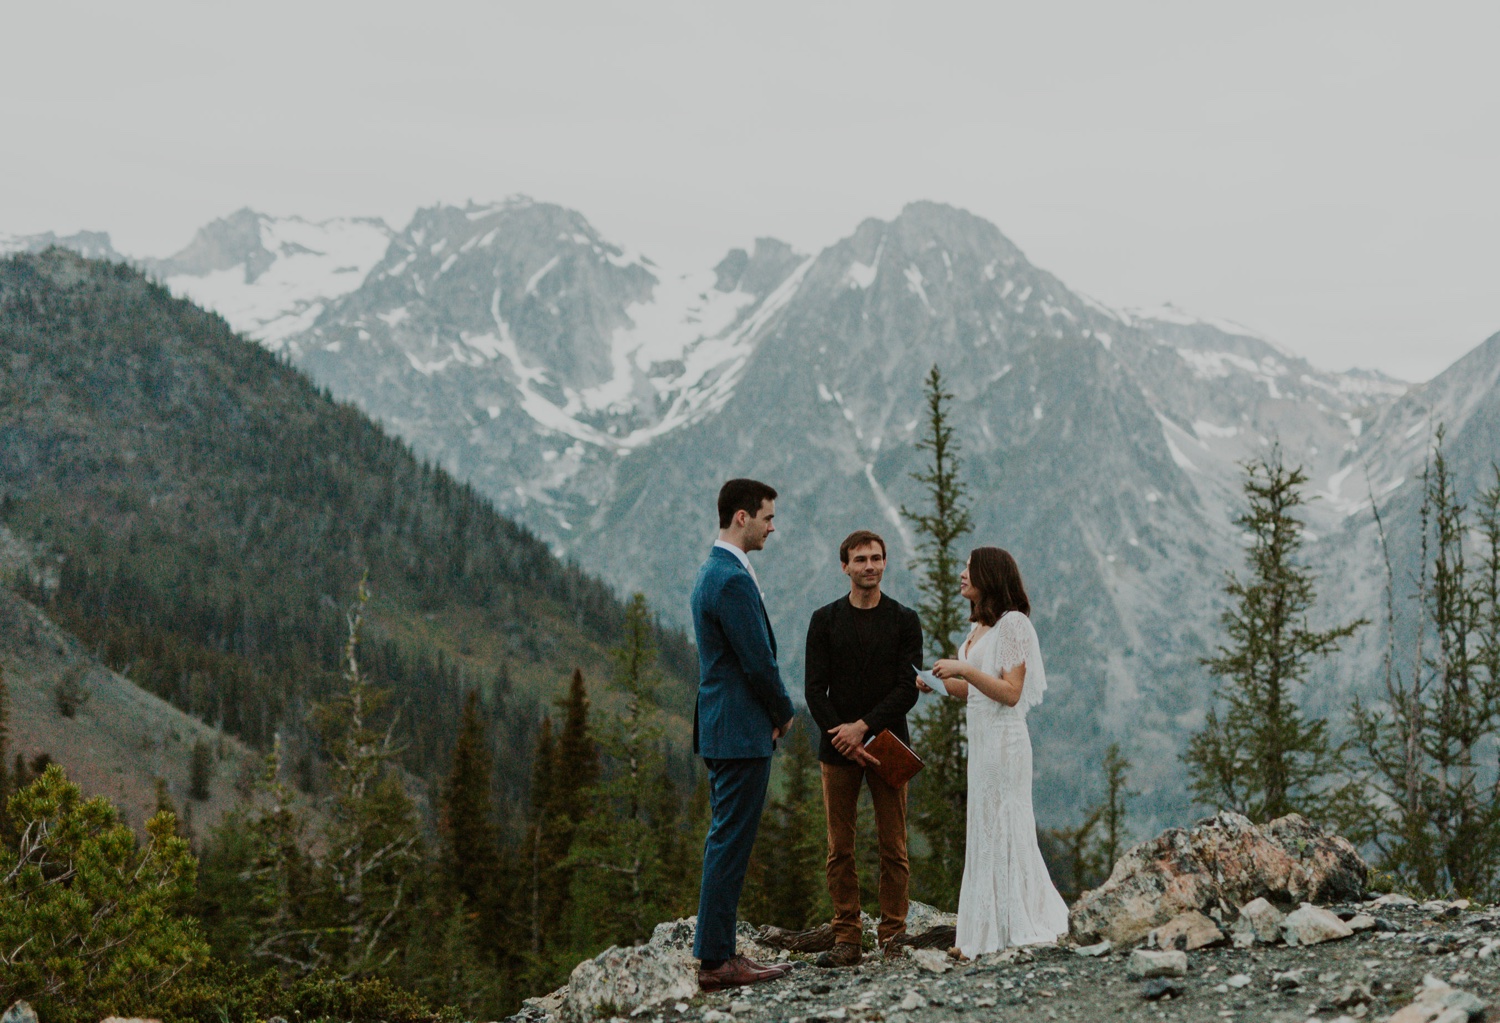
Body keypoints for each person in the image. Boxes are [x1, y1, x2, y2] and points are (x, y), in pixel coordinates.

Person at [919, 546, 1068, 955]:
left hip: (1005, 742)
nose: (961, 576)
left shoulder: (1013, 625)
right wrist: (935, 682)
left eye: (969, 570)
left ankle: (1014, 925)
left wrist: (963, 667)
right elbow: (973, 691)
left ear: (989, 575)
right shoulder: (980, 629)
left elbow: (1010, 691)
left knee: (1005, 825)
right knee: (984, 829)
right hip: (983, 744)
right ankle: (980, 934)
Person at [690, 478, 797, 991]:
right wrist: (784, 710)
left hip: (724, 725)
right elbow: (756, 660)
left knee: (726, 838)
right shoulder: (730, 579)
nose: (772, 527)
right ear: (741, 517)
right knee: (730, 842)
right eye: (767, 517)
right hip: (739, 728)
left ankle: (721, 951)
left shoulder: (715, 570)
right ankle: (716, 960)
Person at [804, 529, 923, 967]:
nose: (869, 566)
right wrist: (843, 733)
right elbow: (814, 689)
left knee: (894, 845)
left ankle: (892, 937)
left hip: (889, 743)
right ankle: (847, 938)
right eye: (860, 560)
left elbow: (906, 689)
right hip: (837, 748)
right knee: (840, 847)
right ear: (845, 567)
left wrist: (863, 728)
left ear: (885, 563)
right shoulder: (825, 619)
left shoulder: (904, 620)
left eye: (876, 558)